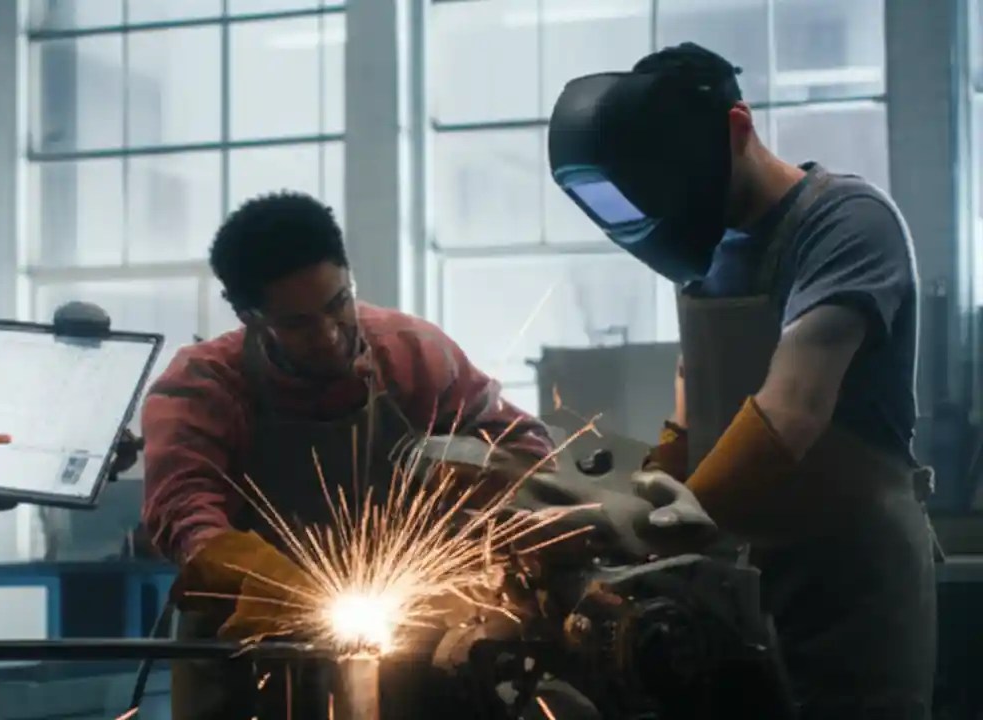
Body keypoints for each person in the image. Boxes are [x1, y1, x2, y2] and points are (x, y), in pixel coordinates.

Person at [142, 191, 713, 719]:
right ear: (249, 317)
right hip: (250, 658)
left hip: (402, 635)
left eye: (338, 303)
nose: (330, 335)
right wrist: (248, 571)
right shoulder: (201, 388)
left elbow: (527, 447)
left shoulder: (411, 354)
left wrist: (483, 485)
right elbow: (181, 509)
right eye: (297, 324)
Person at [548, 42, 936, 718]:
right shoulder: (708, 248)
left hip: (850, 579)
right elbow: (694, 399)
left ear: (737, 128)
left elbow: (796, 404)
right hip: (743, 573)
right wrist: (644, 495)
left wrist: (687, 516)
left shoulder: (846, 223)